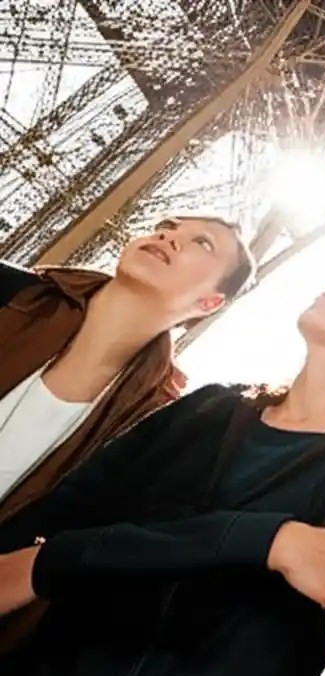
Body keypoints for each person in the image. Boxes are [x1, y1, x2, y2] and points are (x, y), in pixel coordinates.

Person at [0, 274, 325, 676]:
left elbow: (284, 644)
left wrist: (70, 559)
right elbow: (67, 509)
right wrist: (270, 542)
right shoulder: (208, 409)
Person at [0, 215, 254, 528]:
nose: (168, 237)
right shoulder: (13, 292)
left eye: (202, 243)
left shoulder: (155, 422)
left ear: (209, 303)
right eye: (168, 227)